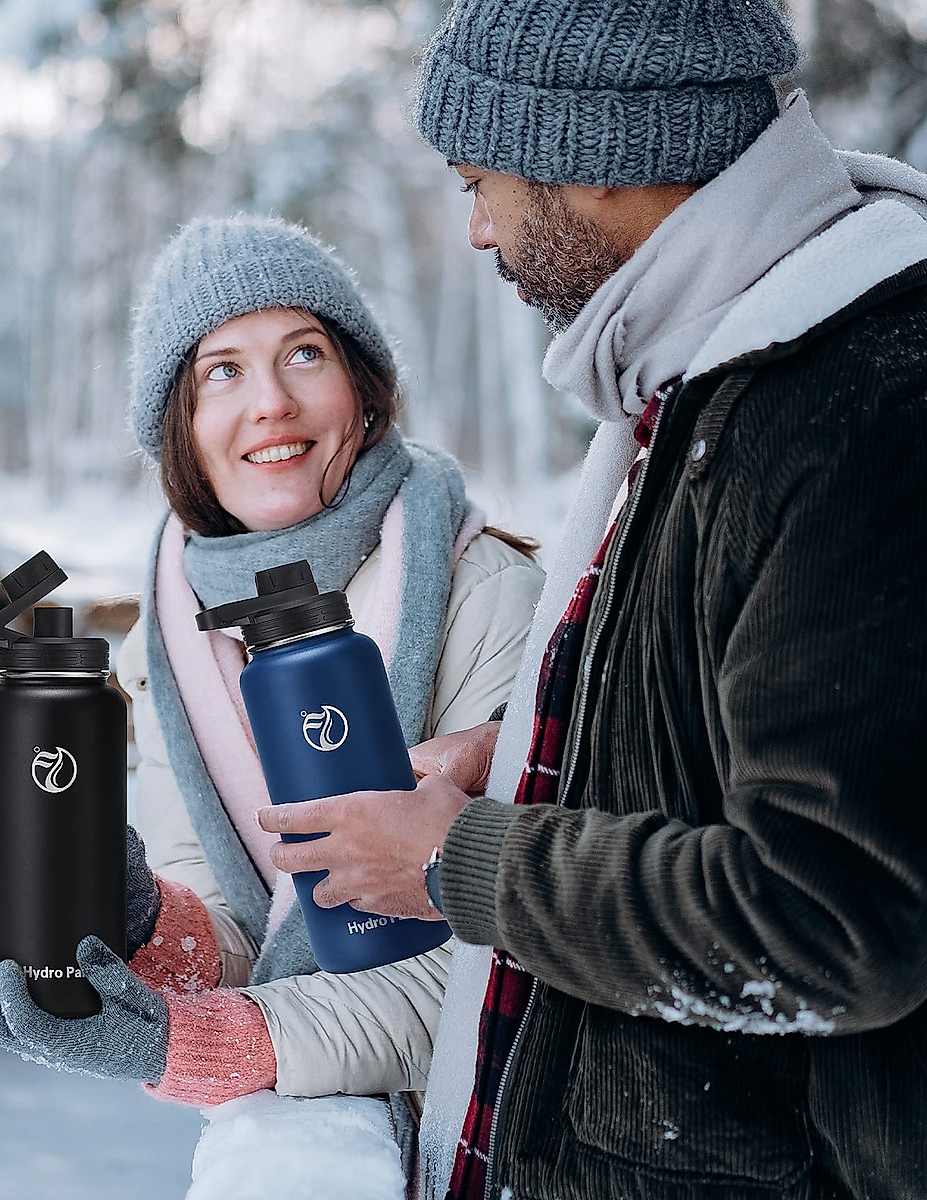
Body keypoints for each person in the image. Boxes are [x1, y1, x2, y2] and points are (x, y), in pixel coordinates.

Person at [259, 2, 927, 1198]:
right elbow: (718, 733)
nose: (475, 232)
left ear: (594, 155)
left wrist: (468, 863)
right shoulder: (711, 372)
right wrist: (530, 760)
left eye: (481, 183)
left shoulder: (858, 415)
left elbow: (836, 921)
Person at [0, 214, 545, 1181]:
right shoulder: (173, 636)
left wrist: (209, 1045)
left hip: (502, 1137)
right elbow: (248, 935)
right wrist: (147, 914)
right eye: (221, 371)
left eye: (303, 354)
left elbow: (503, 956)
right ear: (182, 429)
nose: (269, 403)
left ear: (363, 390)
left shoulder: (483, 594)